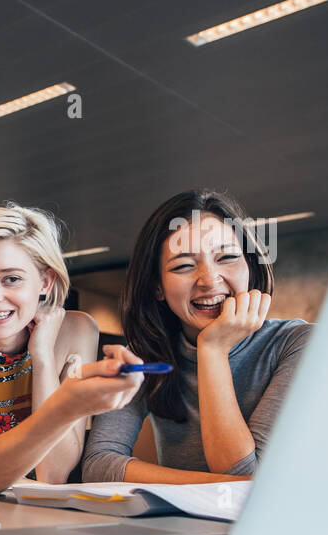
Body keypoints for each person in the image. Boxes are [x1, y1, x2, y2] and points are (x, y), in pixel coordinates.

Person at [81, 189, 311, 484]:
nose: (210, 280)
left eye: (227, 257)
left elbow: (242, 471)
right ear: (157, 287)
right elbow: (99, 464)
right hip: (181, 528)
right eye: (184, 266)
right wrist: (215, 488)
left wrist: (213, 350)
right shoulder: (147, 355)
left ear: (250, 268)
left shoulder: (298, 343)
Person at [0, 204, 146, 497]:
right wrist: (66, 404)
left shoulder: (77, 330)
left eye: (11, 279)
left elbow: (53, 474)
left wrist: (43, 358)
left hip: (40, 511)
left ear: (45, 282)